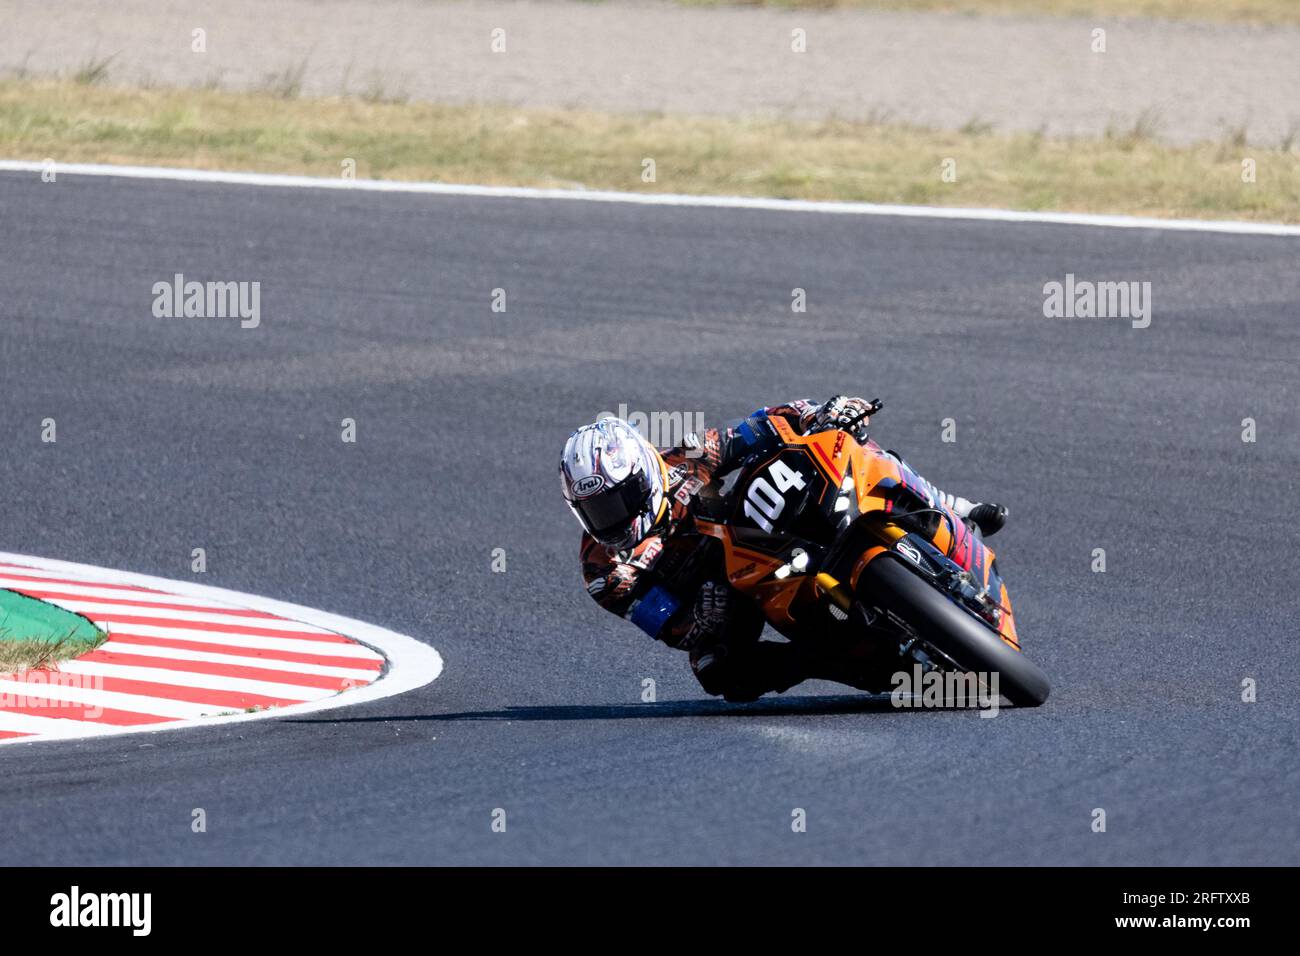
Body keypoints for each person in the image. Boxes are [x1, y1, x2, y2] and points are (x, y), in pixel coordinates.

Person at [559, 397, 1007, 702]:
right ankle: (863, 667)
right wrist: (701, 621)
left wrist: (824, 412)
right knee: (718, 673)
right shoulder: (605, 572)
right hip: (729, 600)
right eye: (595, 510)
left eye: (617, 500)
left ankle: (950, 504)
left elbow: (765, 426)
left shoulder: (686, 457)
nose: (611, 518)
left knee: (846, 444)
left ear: (644, 470)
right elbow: (672, 630)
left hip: (764, 532)